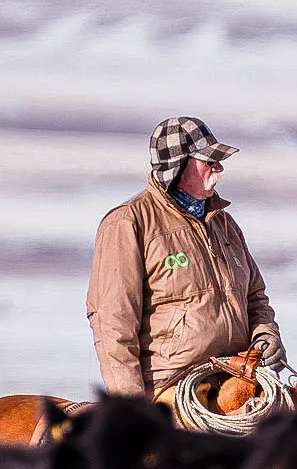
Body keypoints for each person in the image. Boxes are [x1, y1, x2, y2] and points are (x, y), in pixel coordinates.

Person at [86, 116, 284, 403]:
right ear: (176, 167)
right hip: (172, 384)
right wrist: (130, 410)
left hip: (236, 376)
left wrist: (265, 336)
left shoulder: (224, 224)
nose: (219, 167)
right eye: (209, 160)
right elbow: (113, 324)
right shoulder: (129, 223)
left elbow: (255, 298)